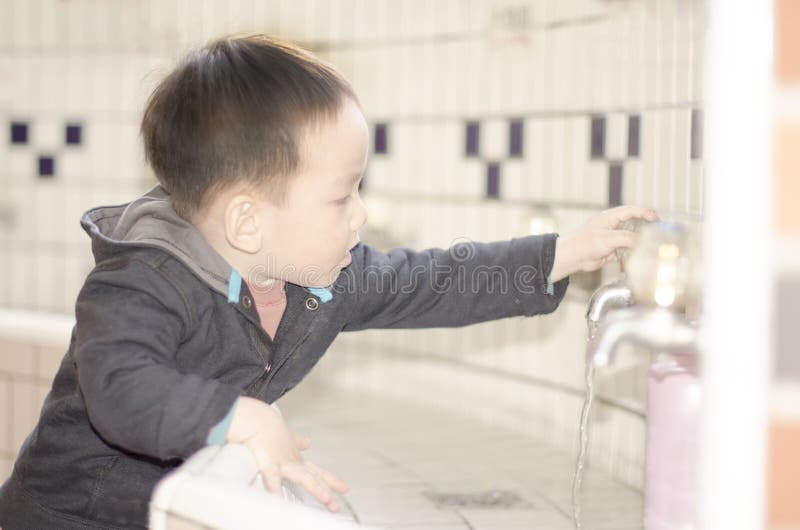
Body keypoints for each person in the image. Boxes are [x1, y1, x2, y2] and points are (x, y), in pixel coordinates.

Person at [0, 33, 657, 529]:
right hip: (67, 512)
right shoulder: (143, 281)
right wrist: (245, 419)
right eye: (342, 197)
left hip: (163, 501)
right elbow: (121, 389)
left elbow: (430, 281)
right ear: (249, 221)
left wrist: (562, 255)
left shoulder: (316, 283)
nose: (362, 215)